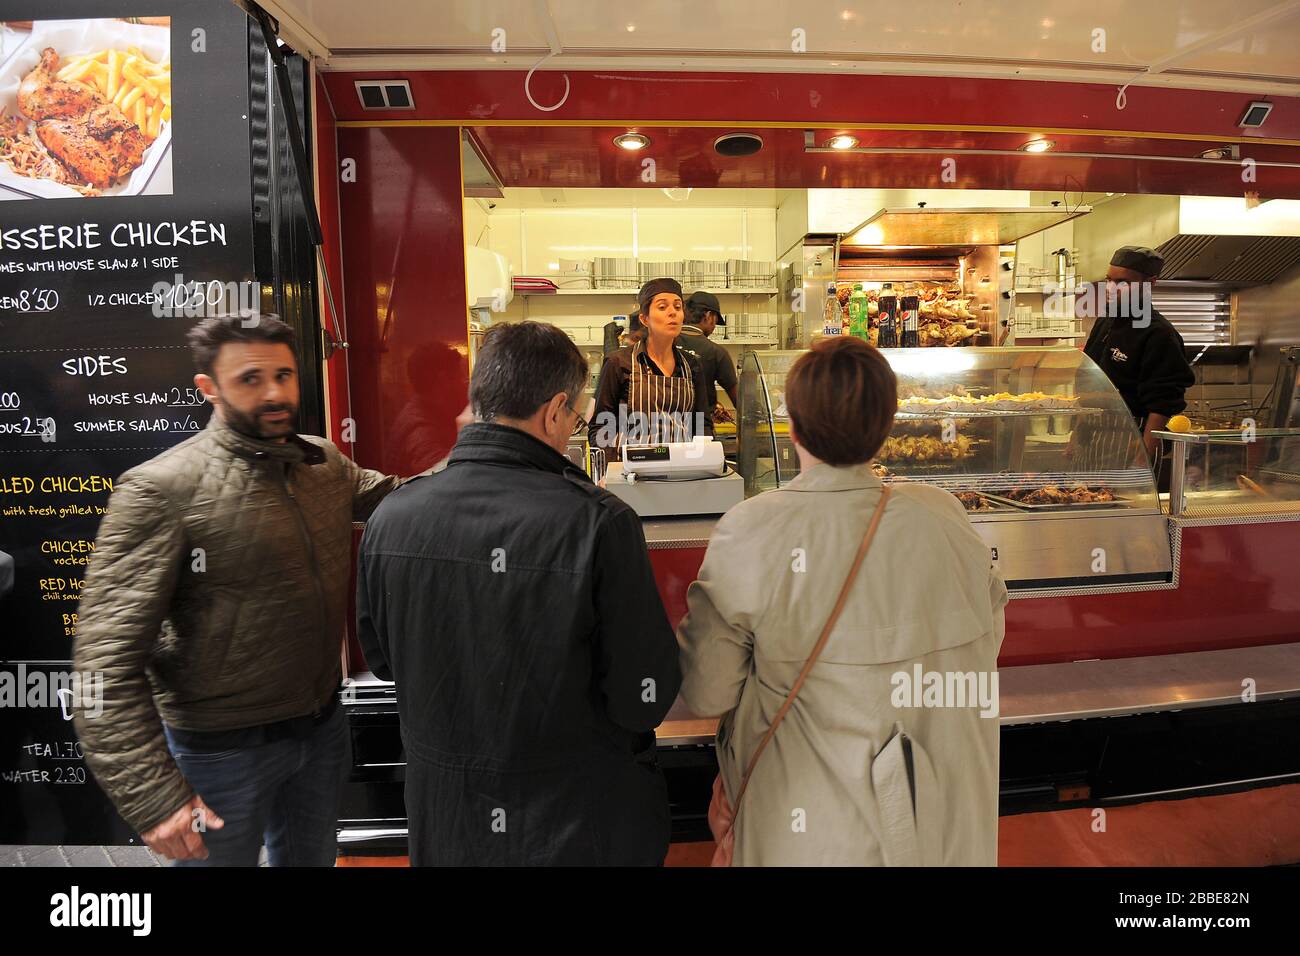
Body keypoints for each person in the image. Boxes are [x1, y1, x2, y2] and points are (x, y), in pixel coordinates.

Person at [72, 313, 409, 866]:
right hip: (218, 753)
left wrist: (492, 451)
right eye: (251, 379)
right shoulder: (161, 489)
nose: (275, 392)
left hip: (322, 729)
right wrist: (154, 799)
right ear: (209, 388)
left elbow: (402, 500)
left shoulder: (322, 463)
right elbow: (100, 665)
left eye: (284, 374)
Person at [356, 321, 682, 866]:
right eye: (575, 417)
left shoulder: (392, 516)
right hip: (576, 828)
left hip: (446, 826)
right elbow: (641, 698)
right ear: (555, 411)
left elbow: (385, 661)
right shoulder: (598, 524)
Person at [677, 336, 1008, 866]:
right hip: (944, 828)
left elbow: (708, 690)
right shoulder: (945, 516)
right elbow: (988, 643)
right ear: (887, 426)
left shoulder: (753, 528)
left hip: (809, 832)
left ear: (793, 427)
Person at [1082, 246, 1195, 467]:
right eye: (1109, 280)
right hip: (1090, 438)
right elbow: (1089, 381)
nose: (1111, 289)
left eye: (1122, 283)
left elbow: (1162, 403)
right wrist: (1076, 439)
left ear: (1150, 284)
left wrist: (1143, 457)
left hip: (1130, 441)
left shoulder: (1159, 333)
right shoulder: (1105, 322)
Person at [590, 278, 712, 452]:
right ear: (644, 319)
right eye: (662, 307)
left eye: (678, 307)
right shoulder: (618, 363)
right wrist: (615, 469)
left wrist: (702, 461)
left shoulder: (692, 365)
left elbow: (702, 425)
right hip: (633, 474)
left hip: (681, 471)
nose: (673, 313)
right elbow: (600, 428)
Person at [679, 291, 740, 423]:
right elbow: (739, 400)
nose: (714, 327)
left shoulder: (666, 344)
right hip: (700, 425)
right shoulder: (716, 352)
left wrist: (714, 404)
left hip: (668, 425)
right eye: (716, 321)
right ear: (708, 316)